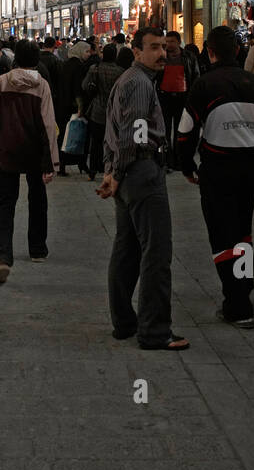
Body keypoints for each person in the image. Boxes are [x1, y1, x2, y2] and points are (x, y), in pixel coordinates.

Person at [177, 24, 254, 329]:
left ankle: (237, 303)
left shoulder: (204, 85)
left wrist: (185, 164)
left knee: (221, 233)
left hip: (217, 168)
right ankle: (243, 287)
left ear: (210, 50)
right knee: (242, 228)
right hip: (250, 169)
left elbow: (186, 130)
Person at [98, 27, 189, 350]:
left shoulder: (133, 81)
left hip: (128, 173)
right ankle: (154, 330)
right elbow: (134, 136)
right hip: (141, 172)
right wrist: (120, 172)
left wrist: (112, 172)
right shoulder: (138, 84)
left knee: (127, 250)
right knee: (156, 251)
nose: (162, 53)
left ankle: (124, 323)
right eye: (153, 48)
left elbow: (116, 133)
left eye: (163, 47)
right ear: (136, 52)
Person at [0, 38, 58, 284]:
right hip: (34, 152)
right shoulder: (42, 86)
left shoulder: (2, 83)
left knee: (4, 204)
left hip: (8, 151)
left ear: (15, 59)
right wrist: (50, 163)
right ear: (35, 61)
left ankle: (1, 258)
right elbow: (48, 125)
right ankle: (37, 249)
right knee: (38, 198)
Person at [80, 43, 123, 181]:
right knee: (113, 142)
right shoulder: (121, 71)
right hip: (115, 111)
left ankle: (92, 171)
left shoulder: (95, 68)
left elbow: (85, 86)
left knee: (96, 142)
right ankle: (111, 170)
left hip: (97, 110)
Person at [156, 29, 197, 167]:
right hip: (165, 97)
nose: (169, 44)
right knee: (165, 131)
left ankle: (179, 160)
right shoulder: (161, 56)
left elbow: (195, 76)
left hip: (182, 98)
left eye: (172, 41)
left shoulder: (188, 57)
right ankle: (167, 159)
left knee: (180, 130)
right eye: (167, 42)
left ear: (179, 42)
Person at [57, 39, 91, 176]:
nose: (88, 54)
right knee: (76, 135)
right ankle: (80, 163)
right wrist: (81, 107)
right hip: (72, 106)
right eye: (87, 51)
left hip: (62, 104)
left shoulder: (65, 64)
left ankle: (62, 165)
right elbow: (78, 88)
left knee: (64, 136)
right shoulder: (79, 66)